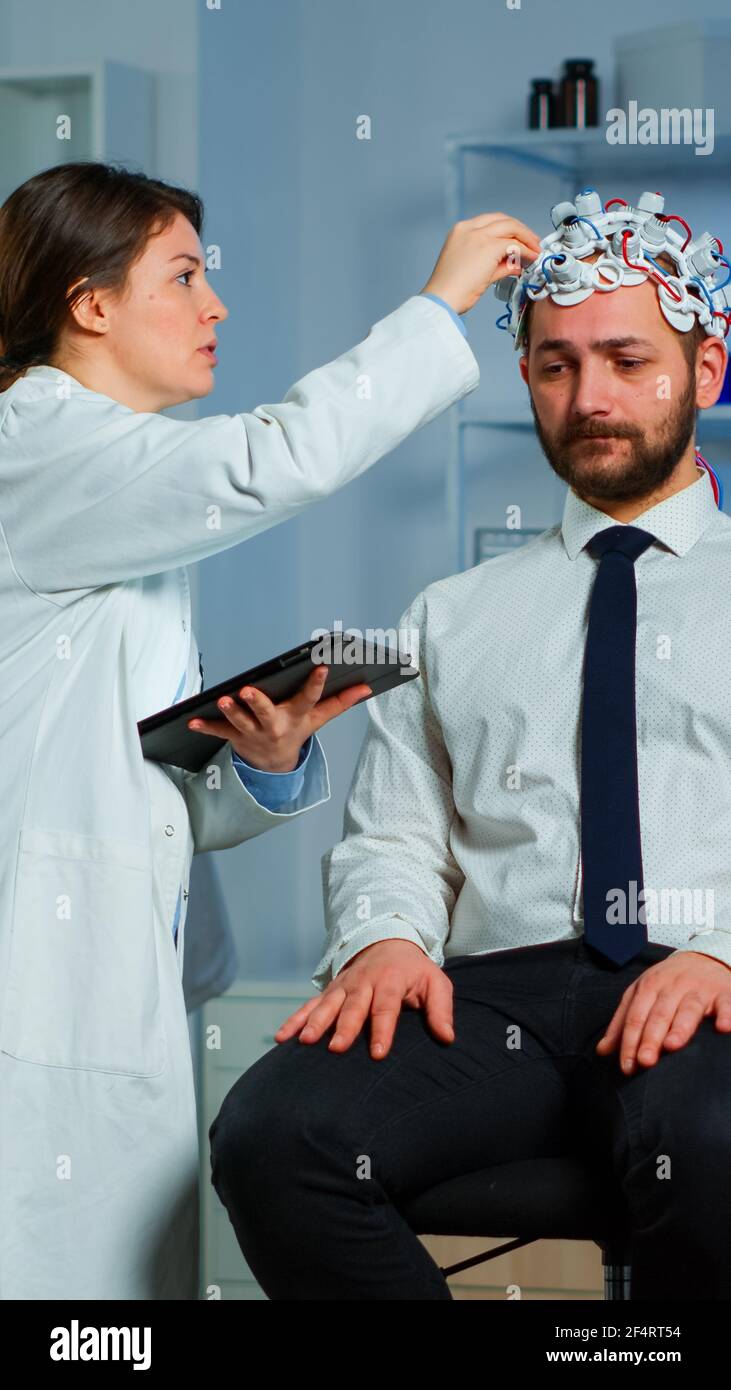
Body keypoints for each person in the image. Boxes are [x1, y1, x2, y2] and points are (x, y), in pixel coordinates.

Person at [0, 158, 542, 1299]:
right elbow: (267, 463)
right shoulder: (34, 445)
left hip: (113, 980)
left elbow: (143, 796)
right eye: (185, 276)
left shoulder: (119, 492)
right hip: (38, 978)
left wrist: (264, 757)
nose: (216, 307)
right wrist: (434, 308)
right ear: (90, 305)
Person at [209, 188, 731, 1300]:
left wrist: (719, 948)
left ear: (705, 371)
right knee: (274, 1136)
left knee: (710, 1137)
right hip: (493, 997)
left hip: (704, 977)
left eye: (625, 359)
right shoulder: (447, 612)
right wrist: (385, 940)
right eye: (553, 365)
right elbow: (394, 832)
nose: (588, 398)